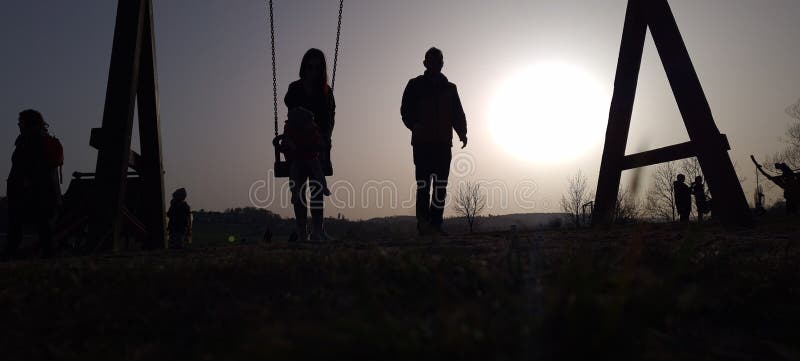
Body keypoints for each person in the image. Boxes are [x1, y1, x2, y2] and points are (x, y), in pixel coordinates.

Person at [401, 47, 468, 236]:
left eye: (438, 61)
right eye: (431, 61)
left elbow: (457, 113)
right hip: (422, 144)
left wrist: (462, 132)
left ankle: (436, 225)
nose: (435, 64)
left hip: (443, 144)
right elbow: (405, 110)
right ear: (425, 63)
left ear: (442, 64)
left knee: (440, 187)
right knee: (423, 186)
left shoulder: (450, 88)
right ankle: (423, 226)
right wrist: (414, 125)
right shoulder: (415, 85)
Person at [284, 48, 336, 241]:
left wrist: (326, 137)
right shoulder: (295, 88)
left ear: (322, 69)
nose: (313, 71)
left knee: (316, 188)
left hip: (317, 144)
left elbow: (330, 118)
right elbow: (292, 110)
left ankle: (317, 230)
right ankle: (301, 229)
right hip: (297, 144)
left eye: (317, 67)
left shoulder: (326, 91)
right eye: (310, 67)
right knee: (298, 188)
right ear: (304, 67)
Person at [4, 110, 62, 259]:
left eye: (20, 121)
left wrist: (22, 186)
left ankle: (9, 255)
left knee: (17, 225)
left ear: (27, 123)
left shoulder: (29, 140)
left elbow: (26, 167)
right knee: (43, 227)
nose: (18, 124)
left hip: (29, 193)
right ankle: (48, 257)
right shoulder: (43, 139)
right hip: (44, 193)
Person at [283, 107, 332, 202]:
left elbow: (317, 138)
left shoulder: (310, 127)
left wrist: (320, 144)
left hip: (310, 155)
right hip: (299, 156)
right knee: (294, 173)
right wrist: (290, 145)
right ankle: (294, 192)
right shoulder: (290, 127)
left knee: (317, 172)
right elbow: (287, 139)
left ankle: (324, 188)